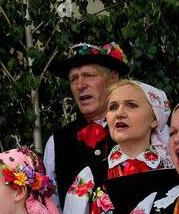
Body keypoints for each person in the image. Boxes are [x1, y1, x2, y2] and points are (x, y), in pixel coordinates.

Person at [61, 79, 172, 214]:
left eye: (131, 105)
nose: (119, 113)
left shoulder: (173, 173)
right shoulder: (89, 176)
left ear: (155, 119)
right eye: (113, 107)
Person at [44, 42, 131, 201]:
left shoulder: (138, 129)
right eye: (73, 79)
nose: (80, 85)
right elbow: (54, 207)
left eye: (89, 75)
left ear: (113, 79)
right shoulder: (57, 143)